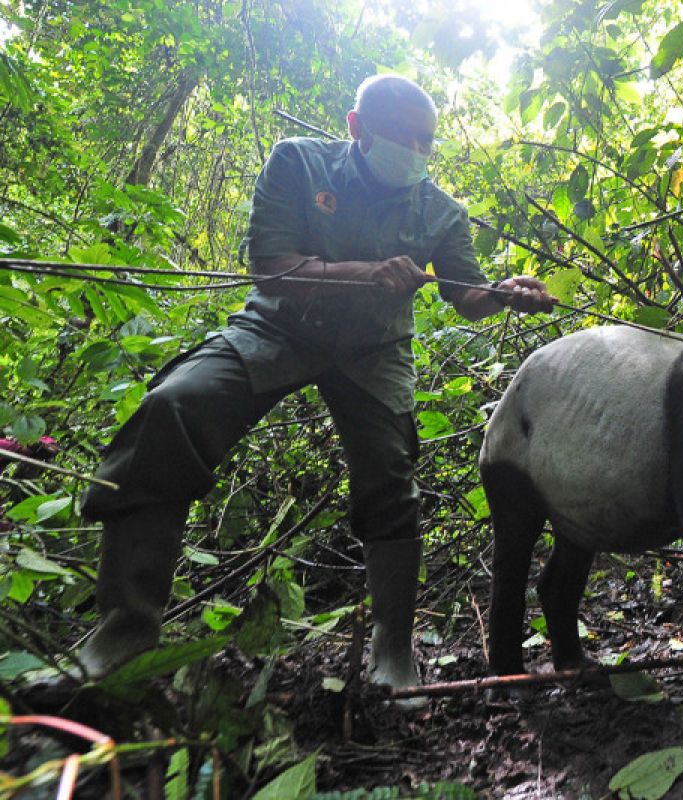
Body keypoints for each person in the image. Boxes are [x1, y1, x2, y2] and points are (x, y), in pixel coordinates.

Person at [75, 75, 556, 689]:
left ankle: (393, 653)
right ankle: (125, 629)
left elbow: (464, 295)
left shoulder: (440, 210)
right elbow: (272, 269)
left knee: (390, 471)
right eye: (402, 136)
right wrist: (363, 273)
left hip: (373, 350)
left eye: (426, 140)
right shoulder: (298, 164)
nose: (416, 149)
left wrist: (504, 296)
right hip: (277, 331)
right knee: (175, 406)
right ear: (357, 129)